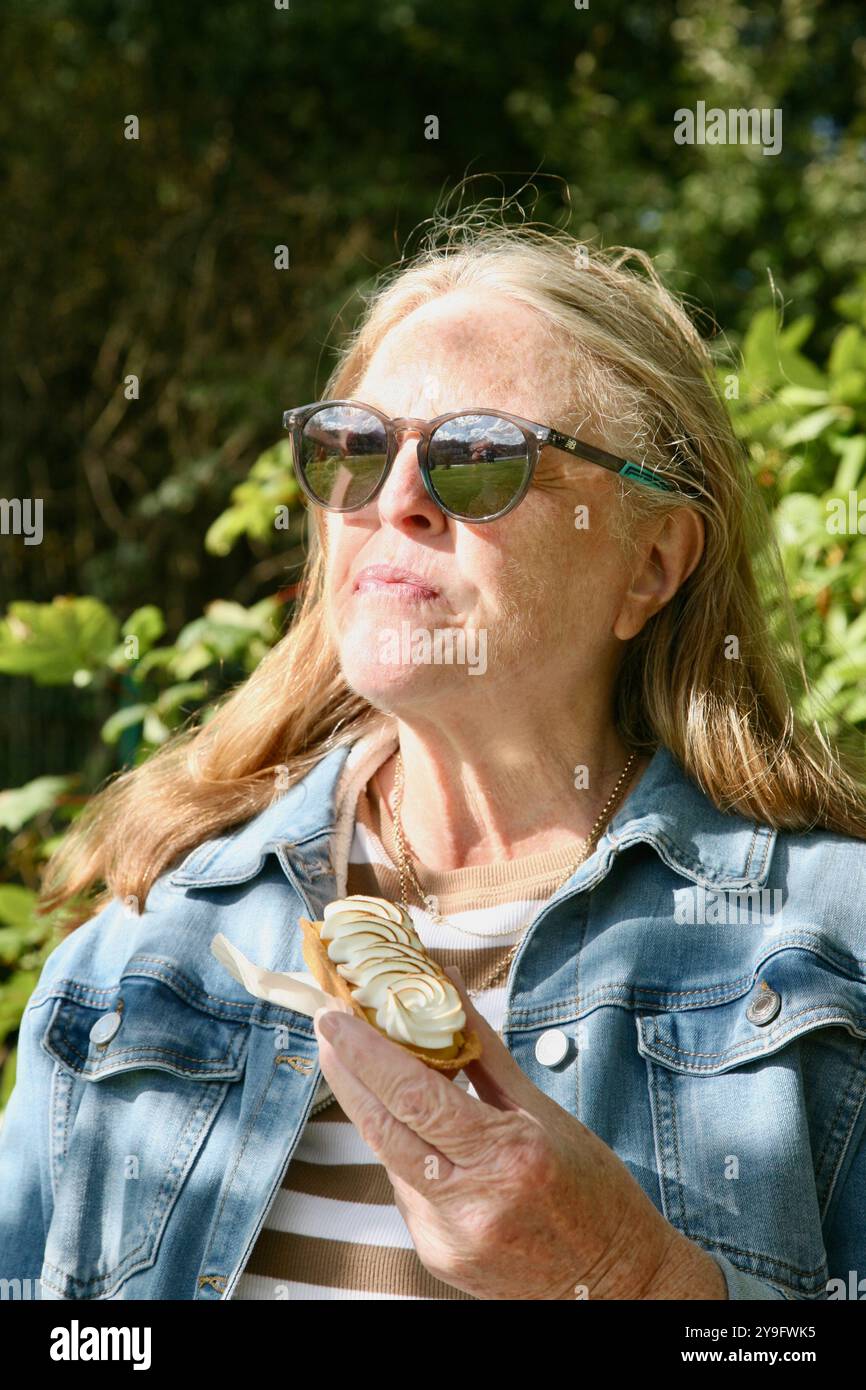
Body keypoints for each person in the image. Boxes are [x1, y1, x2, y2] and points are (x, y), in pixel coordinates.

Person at [2, 215, 865, 1302]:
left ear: (650, 563)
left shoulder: (833, 943)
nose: (391, 497)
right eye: (354, 446)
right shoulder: (145, 949)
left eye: (476, 457)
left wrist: (630, 1280)